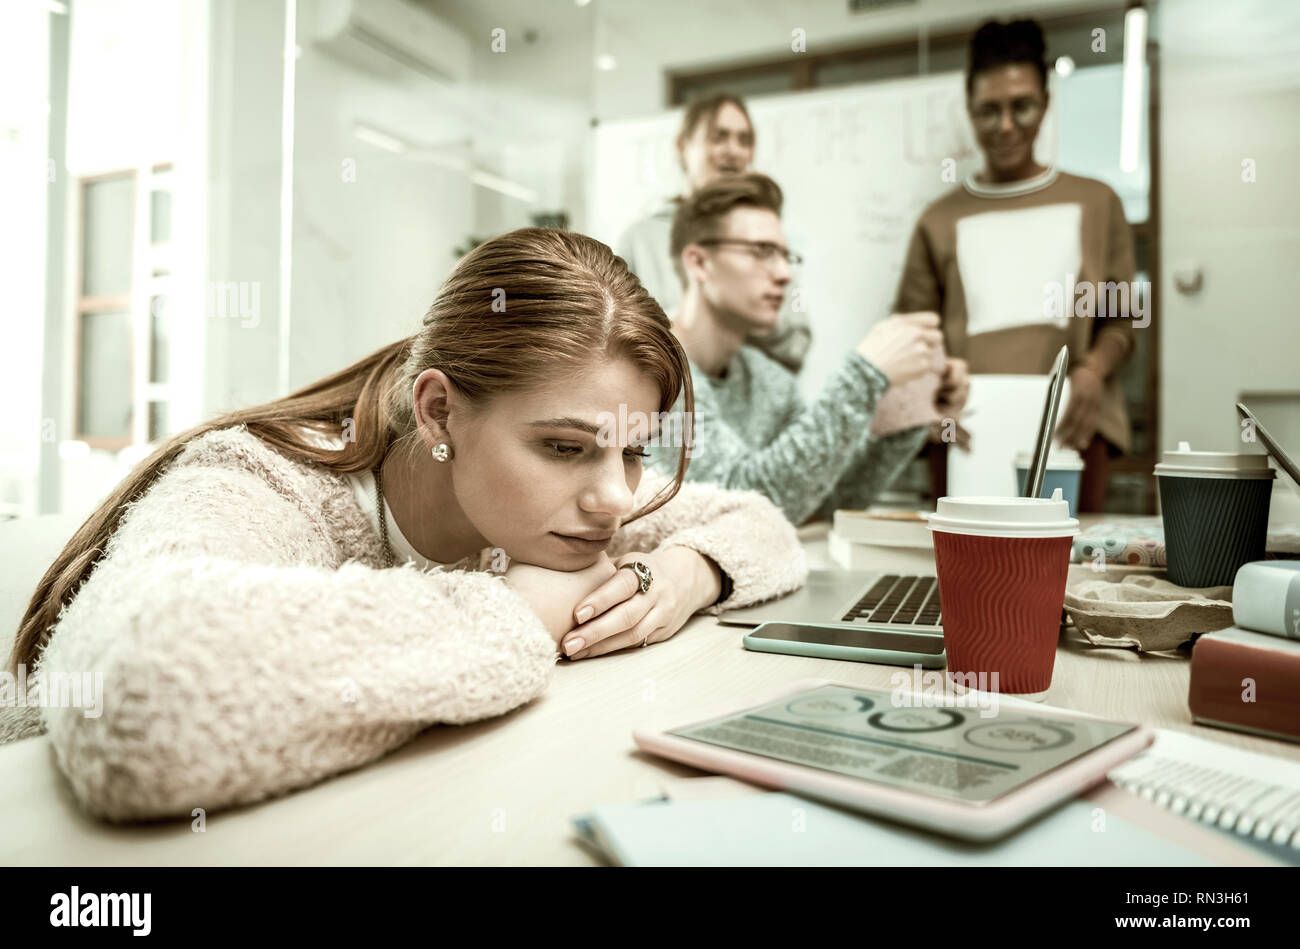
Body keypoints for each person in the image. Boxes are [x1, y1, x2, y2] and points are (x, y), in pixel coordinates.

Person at [1, 228, 808, 822]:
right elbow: (144, 701)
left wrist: (679, 575)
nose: (618, 500)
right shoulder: (261, 479)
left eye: (633, 454)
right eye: (565, 447)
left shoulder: (557, 504)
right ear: (437, 411)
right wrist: (520, 613)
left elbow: (758, 523)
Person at [895, 18, 1138, 510]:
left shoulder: (1097, 202)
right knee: (967, 575)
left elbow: (1124, 320)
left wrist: (1091, 373)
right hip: (965, 439)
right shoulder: (939, 219)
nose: (1006, 126)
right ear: (970, 111)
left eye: (1021, 106)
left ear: (1045, 102)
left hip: (1074, 427)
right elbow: (909, 335)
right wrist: (931, 398)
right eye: (989, 111)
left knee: (1067, 572)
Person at [651, 172, 969, 525]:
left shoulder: (771, 381)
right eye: (762, 251)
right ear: (698, 262)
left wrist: (908, 408)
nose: (785, 273)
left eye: (787, 256)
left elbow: (822, 500)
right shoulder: (653, 367)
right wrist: (863, 376)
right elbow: (739, 504)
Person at [617, 92, 813, 374]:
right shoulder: (640, 239)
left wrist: (742, 309)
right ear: (683, 146)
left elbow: (796, 343)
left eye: (744, 140)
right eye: (718, 137)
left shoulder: (770, 236)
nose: (733, 151)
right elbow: (621, 343)